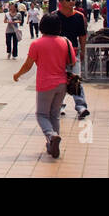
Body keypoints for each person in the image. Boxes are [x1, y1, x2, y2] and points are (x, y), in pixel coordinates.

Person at [13, 14, 73, 158]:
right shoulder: (66, 41)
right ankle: (52, 144)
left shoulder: (37, 44)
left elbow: (28, 65)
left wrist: (17, 74)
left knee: (41, 114)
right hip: (62, 83)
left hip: (45, 84)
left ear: (41, 27)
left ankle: (51, 136)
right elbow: (72, 62)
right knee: (55, 115)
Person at [52, 0, 90, 119]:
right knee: (59, 82)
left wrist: (83, 50)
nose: (72, 2)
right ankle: (59, 106)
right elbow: (49, 36)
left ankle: (81, 107)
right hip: (57, 55)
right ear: (61, 2)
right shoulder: (54, 16)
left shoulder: (79, 16)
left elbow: (82, 36)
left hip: (74, 53)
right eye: (68, 0)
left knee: (75, 80)